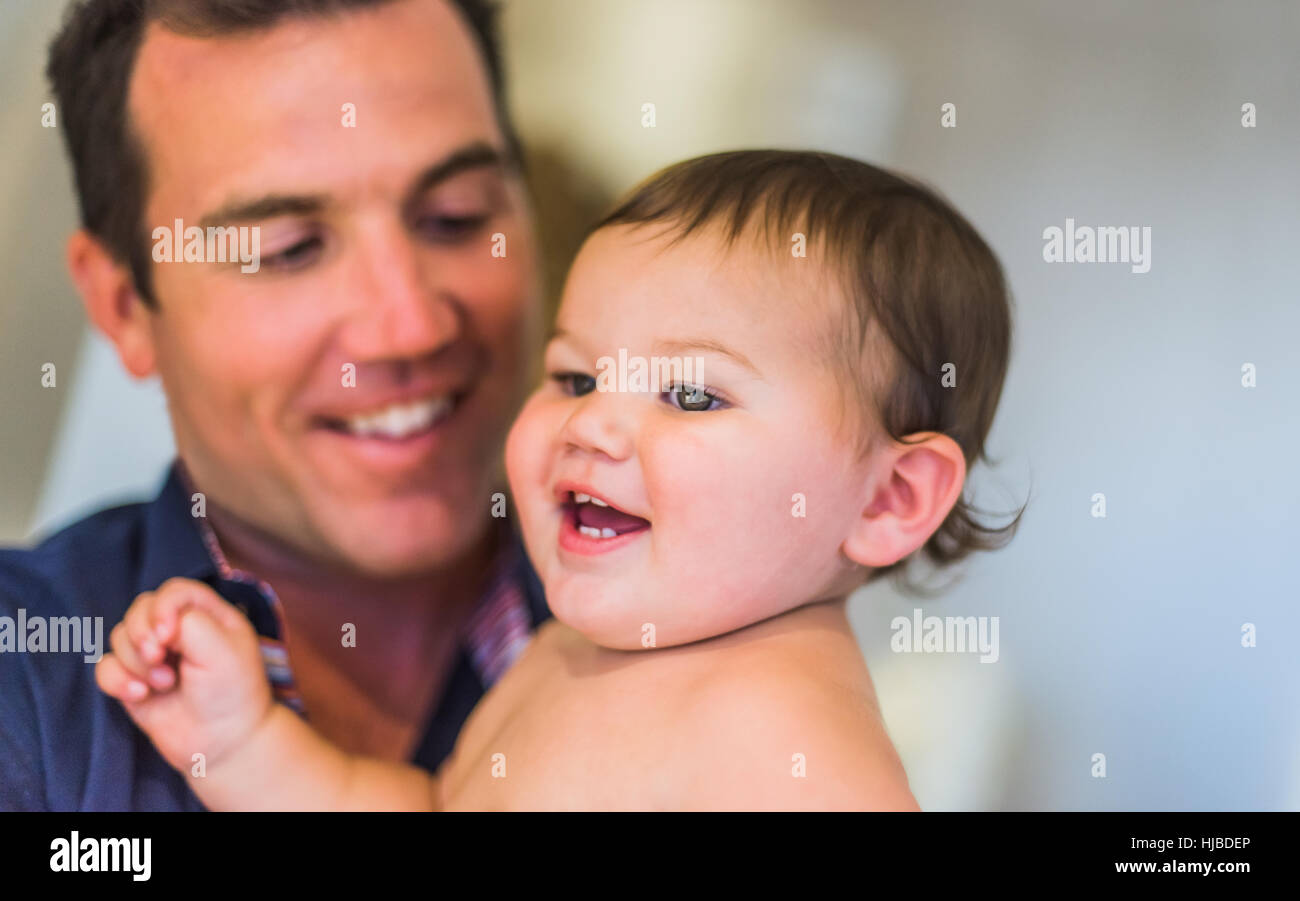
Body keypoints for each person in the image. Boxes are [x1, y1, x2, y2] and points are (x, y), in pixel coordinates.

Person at [98, 150, 1021, 809]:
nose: (590, 421)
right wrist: (242, 744)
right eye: (575, 377)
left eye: (693, 395)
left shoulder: (779, 734)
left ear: (888, 498)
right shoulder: (560, 653)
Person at [0, 0, 549, 810]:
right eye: (287, 250)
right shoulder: (24, 689)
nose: (409, 323)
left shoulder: (706, 634)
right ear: (123, 308)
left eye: (455, 218)